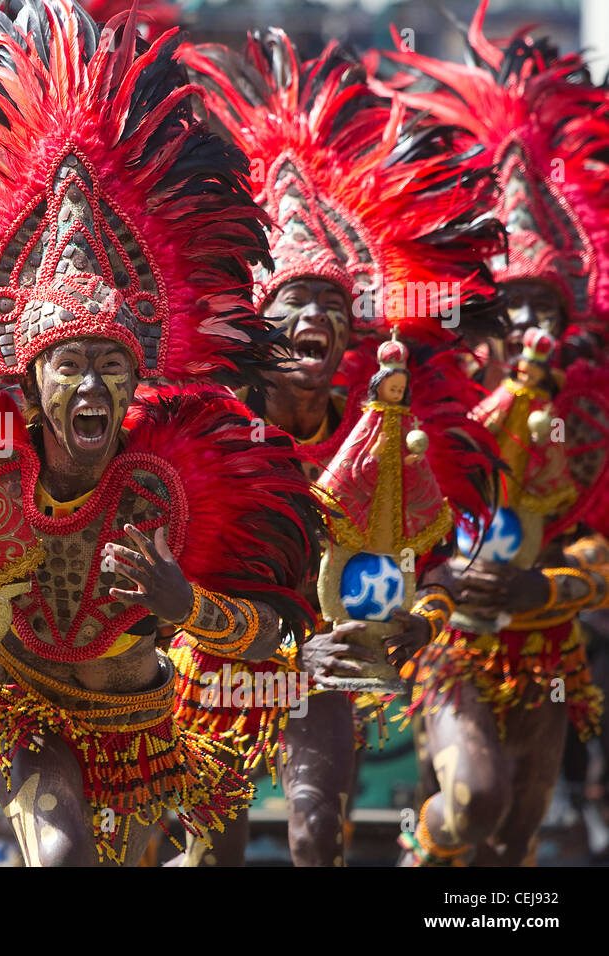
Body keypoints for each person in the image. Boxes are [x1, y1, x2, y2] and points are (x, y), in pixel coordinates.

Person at [0, 0, 323, 866]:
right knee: (58, 853)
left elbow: (267, 636)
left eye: (112, 363)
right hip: (23, 712)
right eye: (69, 365)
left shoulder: (178, 478)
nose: (92, 383)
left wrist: (186, 608)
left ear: (142, 376)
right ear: (28, 378)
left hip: (141, 726)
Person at [171, 33, 503, 866]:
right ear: (257, 326)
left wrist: (410, 630)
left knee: (318, 835)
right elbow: (159, 591)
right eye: (293, 304)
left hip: (326, 662)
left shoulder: (383, 433)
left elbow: (434, 568)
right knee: (212, 853)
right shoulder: (202, 429)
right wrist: (274, 647)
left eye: (331, 304)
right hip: (216, 662)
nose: (313, 320)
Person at [376, 0, 609, 864]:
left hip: (549, 650)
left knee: (513, 841)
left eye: (543, 308)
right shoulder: (431, 403)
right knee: (472, 800)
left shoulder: (588, 414)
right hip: (449, 639)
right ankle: (415, 848)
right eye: (511, 308)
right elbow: (373, 518)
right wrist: (437, 580)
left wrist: (541, 593)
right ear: (482, 316)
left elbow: (602, 551)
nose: (528, 329)